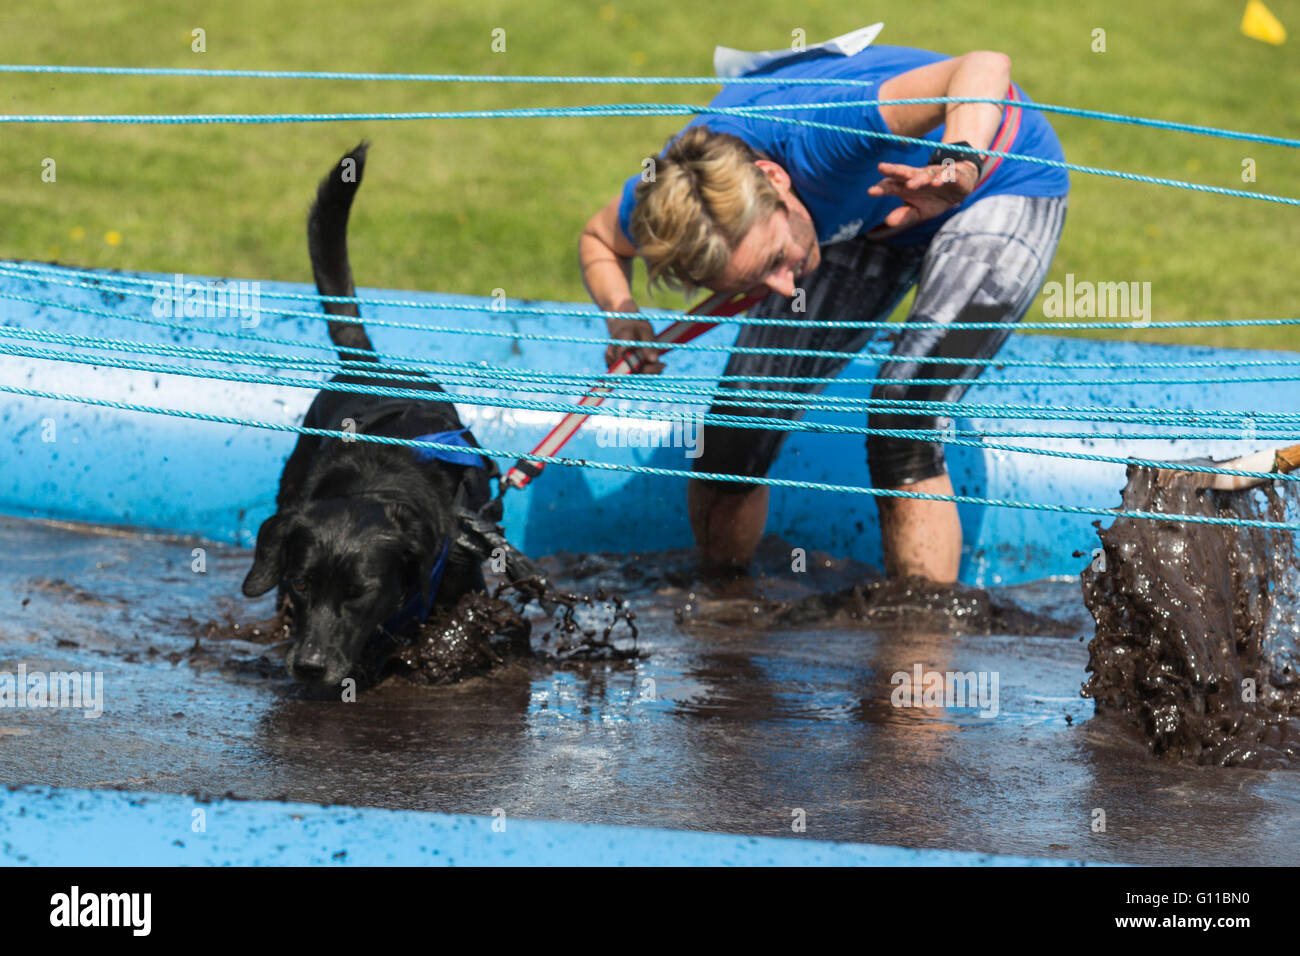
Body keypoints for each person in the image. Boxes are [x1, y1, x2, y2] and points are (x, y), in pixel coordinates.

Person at [578, 39, 1068, 582]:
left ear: (775, 179)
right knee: (740, 419)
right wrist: (623, 316)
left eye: (774, 260)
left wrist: (958, 164)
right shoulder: (671, 201)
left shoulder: (823, 132)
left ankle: (920, 657)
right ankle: (724, 619)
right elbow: (599, 240)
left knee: (902, 419)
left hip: (999, 177)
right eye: (753, 281)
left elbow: (984, 65)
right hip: (862, 201)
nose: (785, 288)